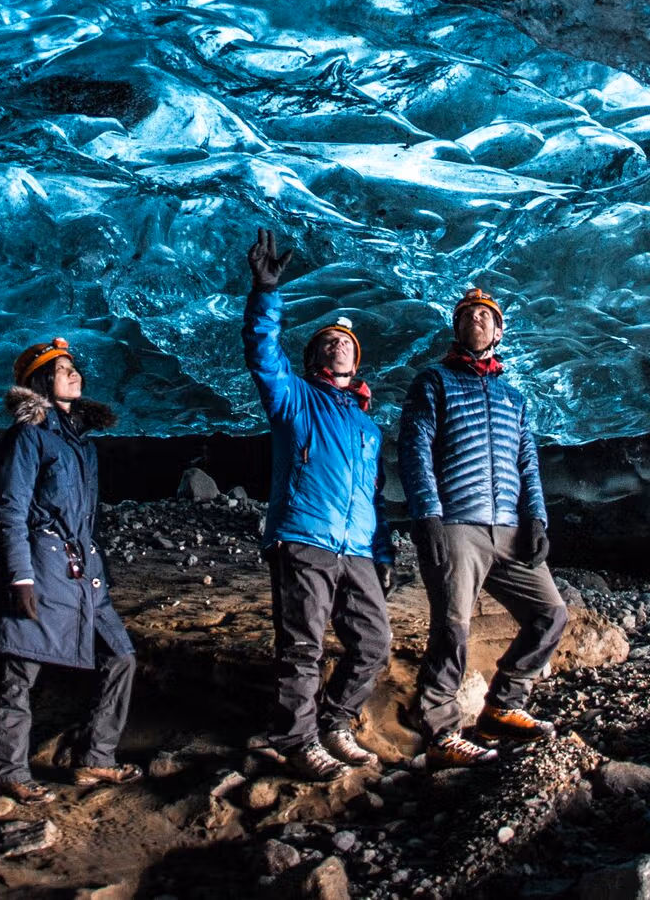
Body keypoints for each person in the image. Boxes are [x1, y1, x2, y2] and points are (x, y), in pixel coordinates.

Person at [241, 229, 393, 781]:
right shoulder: (294, 398)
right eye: (329, 342)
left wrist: (383, 554)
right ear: (313, 357)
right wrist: (266, 292)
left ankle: (335, 721)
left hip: (356, 548)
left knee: (373, 642)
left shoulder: (368, 428)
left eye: (347, 343)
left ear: (359, 359)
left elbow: (371, 496)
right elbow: (262, 354)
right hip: (305, 534)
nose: (340, 345)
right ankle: (295, 738)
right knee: (303, 645)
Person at [397, 285, 569, 767]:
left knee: (550, 615)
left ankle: (502, 706)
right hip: (456, 523)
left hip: (509, 527)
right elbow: (415, 450)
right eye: (469, 313)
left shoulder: (513, 396)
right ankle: (441, 732)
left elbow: (527, 463)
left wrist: (536, 516)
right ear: (457, 327)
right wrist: (427, 515)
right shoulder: (433, 381)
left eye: (485, 314)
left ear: (498, 331)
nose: (477, 318)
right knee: (453, 628)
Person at [0, 337, 142, 802]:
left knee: (121, 656)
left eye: (74, 367)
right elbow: (10, 509)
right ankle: (10, 772)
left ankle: (95, 759)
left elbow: (85, 516)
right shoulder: (28, 437)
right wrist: (21, 576)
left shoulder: (81, 442)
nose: (74, 374)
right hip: (42, 568)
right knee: (21, 672)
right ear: (40, 382)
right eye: (61, 369)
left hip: (83, 575)